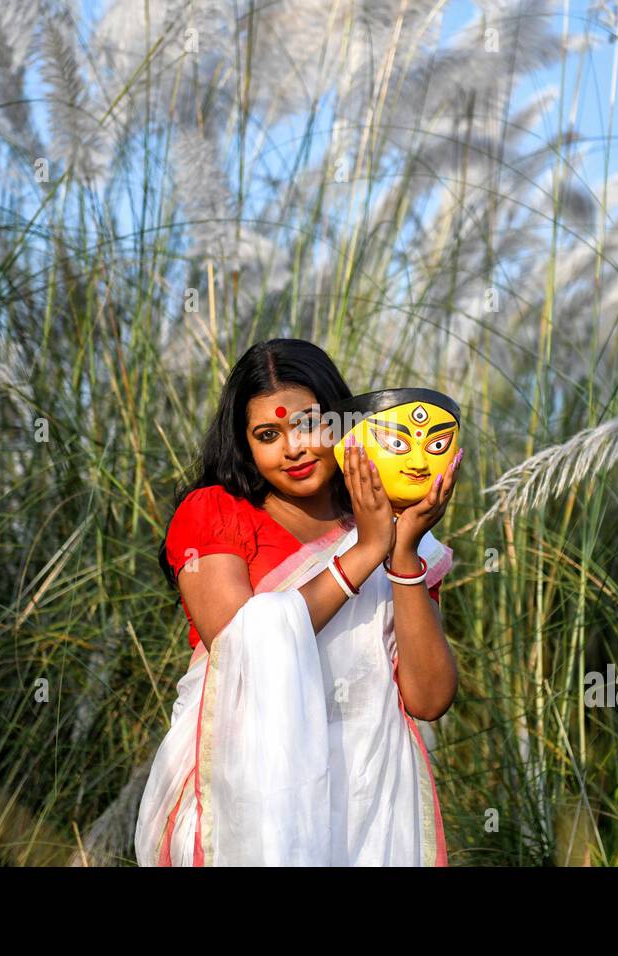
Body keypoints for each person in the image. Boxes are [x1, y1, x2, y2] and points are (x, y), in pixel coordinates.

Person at [135, 338, 462, 866]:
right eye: (269, 434)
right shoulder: (214, 513)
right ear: (245, 444)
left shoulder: (398, 532)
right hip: (250, 803)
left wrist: (401, 556)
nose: (294, 448)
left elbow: (428, 700)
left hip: (369, 806)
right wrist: (366, 551)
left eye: (311, 424)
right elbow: (246, 644)